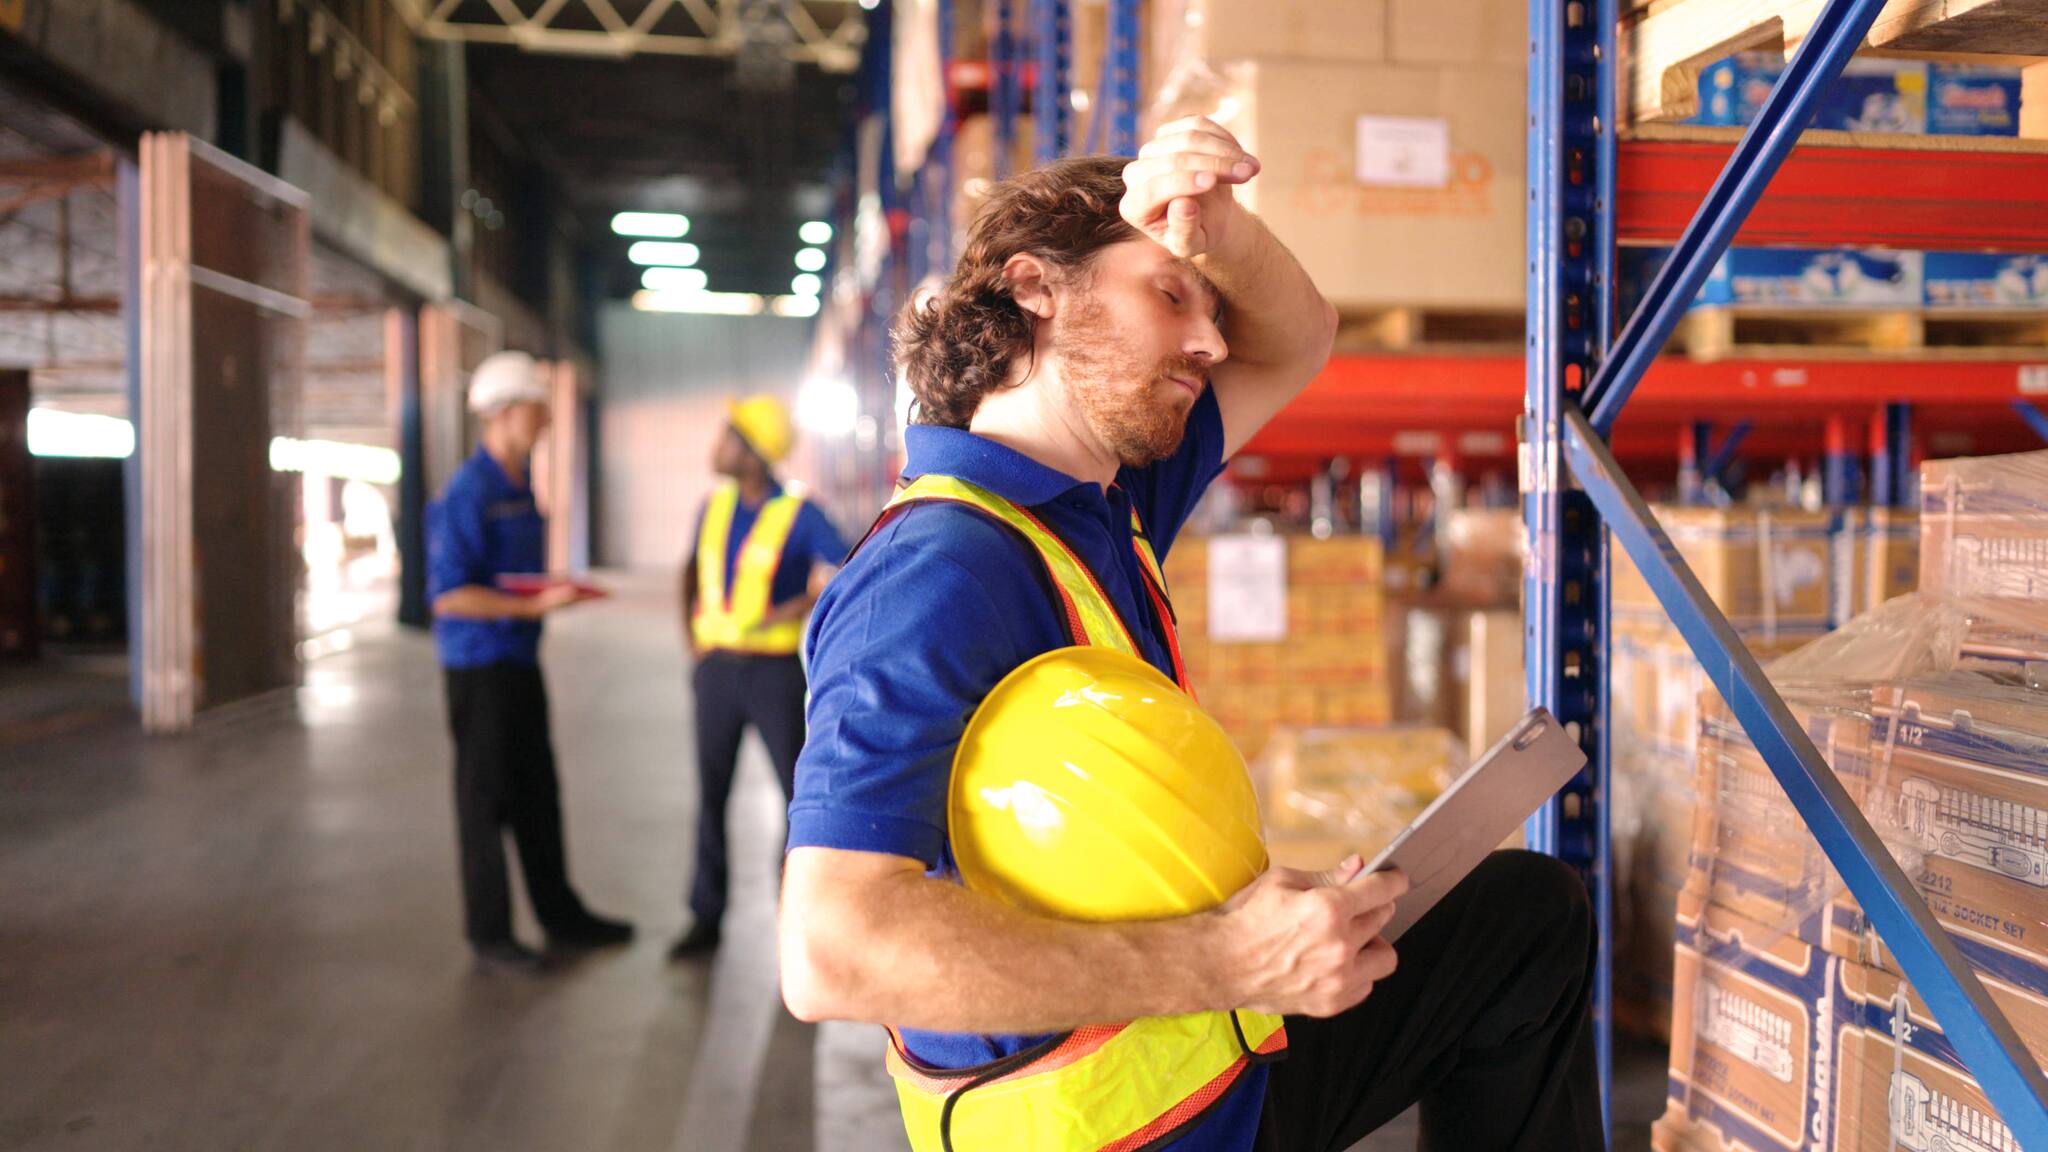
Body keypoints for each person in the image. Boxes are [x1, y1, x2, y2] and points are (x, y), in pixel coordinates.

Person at [777, 120, 1602, 1150]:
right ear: (1035, 288)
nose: (1211, 341)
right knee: (1521, 925)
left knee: (1523, 917)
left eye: (1206, 309)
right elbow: (830, 950)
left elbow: (1296, 335)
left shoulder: (1094, 507)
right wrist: (1234, 960)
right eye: (1169, 295)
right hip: (1114, 1123)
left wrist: (1212, 235)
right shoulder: (937, 574)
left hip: (1206, 1067)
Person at [427, 350, 635, 974]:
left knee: (537, 793)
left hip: (518, 663)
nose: (546, 419)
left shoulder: (520, 486)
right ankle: (489, 935)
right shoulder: (470, 492)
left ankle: (560, 916)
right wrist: (537, 607)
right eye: (539, 408)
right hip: (479, 667)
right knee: (484, 801)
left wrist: (545, 596)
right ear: (506, 412)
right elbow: (448, 594)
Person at [671, 396, 848, 959]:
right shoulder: (714, 507)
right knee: (711, 795)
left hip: (772, 676)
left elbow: (847, 566)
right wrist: (693, 643)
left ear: (752, 453)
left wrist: (796, 607)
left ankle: (794, 915)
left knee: (796, 796)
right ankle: (706, 915)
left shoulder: (799, 513)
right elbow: (688, 573)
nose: (717, 445)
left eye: (728, 435)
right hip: (717, 671)